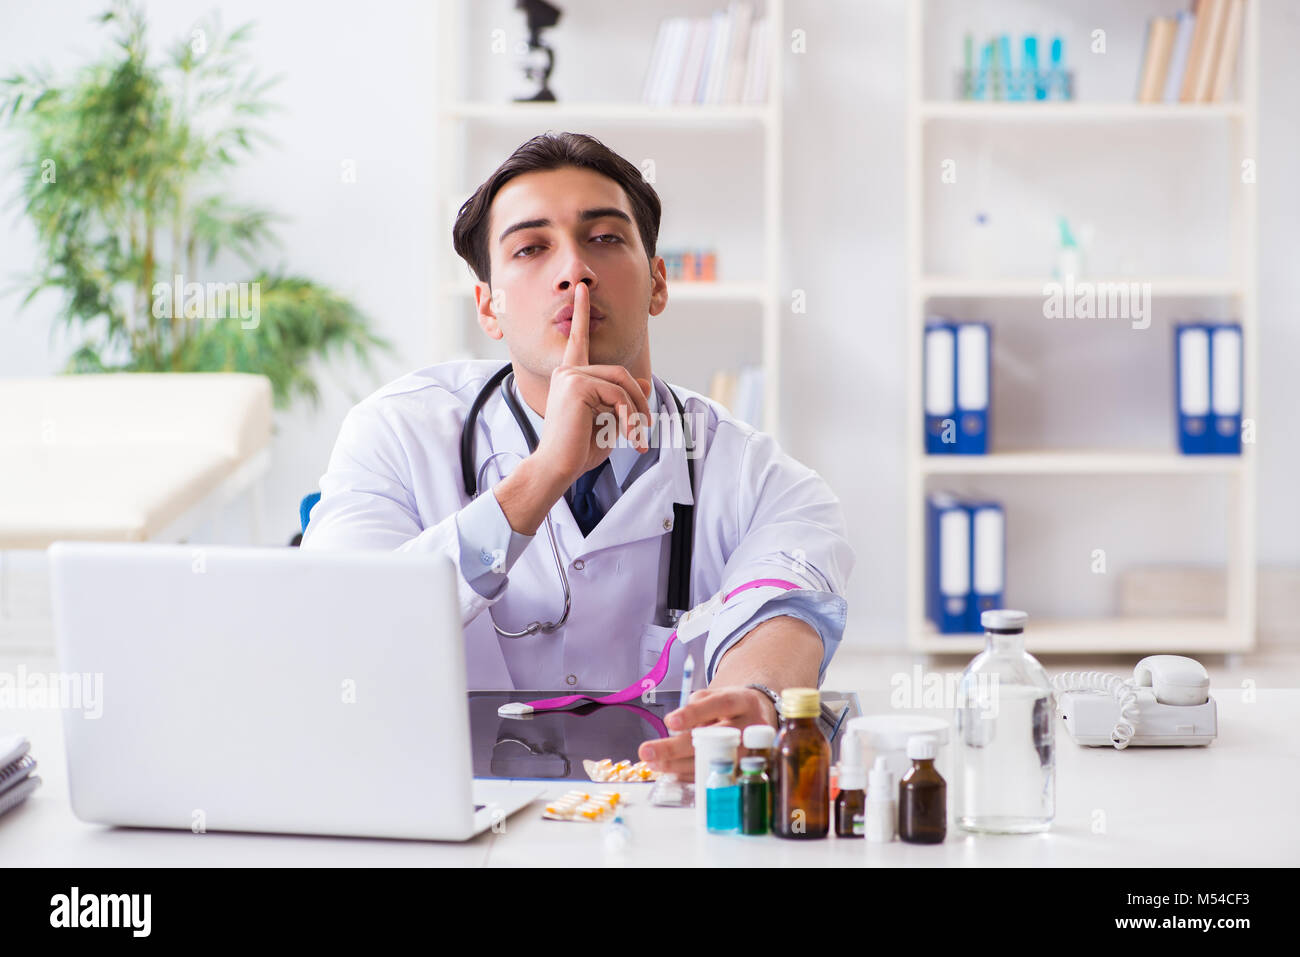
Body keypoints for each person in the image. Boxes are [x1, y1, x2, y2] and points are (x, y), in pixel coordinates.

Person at [302, 131, 854, 779]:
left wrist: (753, 697)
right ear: (489, 307)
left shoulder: (756, 475)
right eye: (532, 247)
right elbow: (338, 632)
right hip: (452, 811)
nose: (575, 270)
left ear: (657, 283)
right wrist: (542, 475)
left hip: (659, 818)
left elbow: (784, 605)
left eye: (605, 238)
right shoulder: (396, 433)